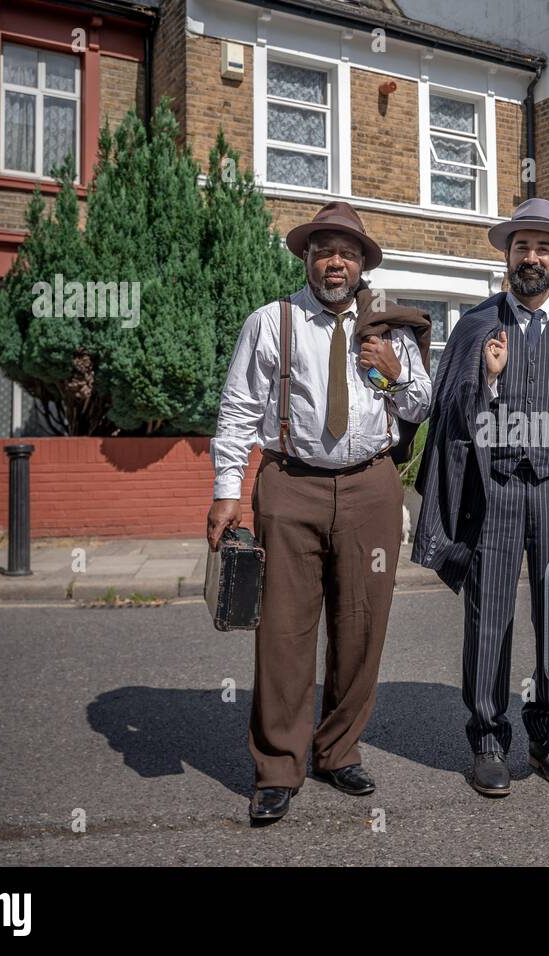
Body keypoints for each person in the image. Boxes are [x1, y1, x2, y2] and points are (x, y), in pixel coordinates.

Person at [207, 202, 432, 823]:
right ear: (307, 259)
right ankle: (279, 766)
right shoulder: (271, 322)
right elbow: (237, 410)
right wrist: (229, 489)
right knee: (284, 630)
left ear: (362, 264)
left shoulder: (393, 329)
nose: (336, 261)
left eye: (348, 252)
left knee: (362, 627)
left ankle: (338, 750)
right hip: (291, 484)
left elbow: (421, 403)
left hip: (372, 487)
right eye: (324, 250)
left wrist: (391, 373)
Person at [412, 198, 549, 798]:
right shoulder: (476, 325)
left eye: (543, 248)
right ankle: (488, 740)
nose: (532, 257)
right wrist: (490, 380)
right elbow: (452, 418)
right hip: (494, 490)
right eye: (522, 246)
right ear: (507, 255)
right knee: (489, 616)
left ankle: (547, 737)